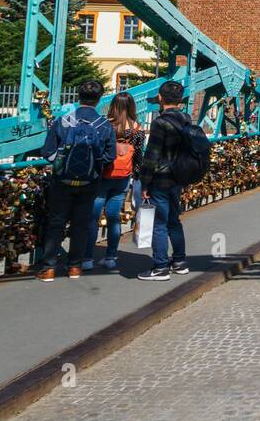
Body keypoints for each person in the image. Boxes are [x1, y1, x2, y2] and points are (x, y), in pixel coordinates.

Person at [35, 80, 117, 282]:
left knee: (56, 223)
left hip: (62, 181)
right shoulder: (104, 125)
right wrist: (94, 166)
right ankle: (74, 267)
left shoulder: (62, 121)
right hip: (90, 182)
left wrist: (61, 164)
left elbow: (47, 151)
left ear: (78, 97)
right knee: (81, 224)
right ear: (99, 100)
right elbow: (110, 156)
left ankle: (49, 268)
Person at [136, 80, 195, 281]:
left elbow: (151, 155)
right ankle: (179, 262)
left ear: (160, 98)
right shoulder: (187, 119)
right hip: (179, 177)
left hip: (161, 178)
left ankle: (160, 267)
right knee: (174, 221)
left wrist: (145, 183)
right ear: (180, 100)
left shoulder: (160, 122)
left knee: (158, 224)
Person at [86, 92, 145, 271]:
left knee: (93, 218)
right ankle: (110, 257)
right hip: (123, 176)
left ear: (113, 106)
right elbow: (138, 155)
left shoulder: (105, 125)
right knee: (113, 218)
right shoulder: (137, 128)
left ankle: (87, 258)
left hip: (103, 176)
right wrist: (137, 175)